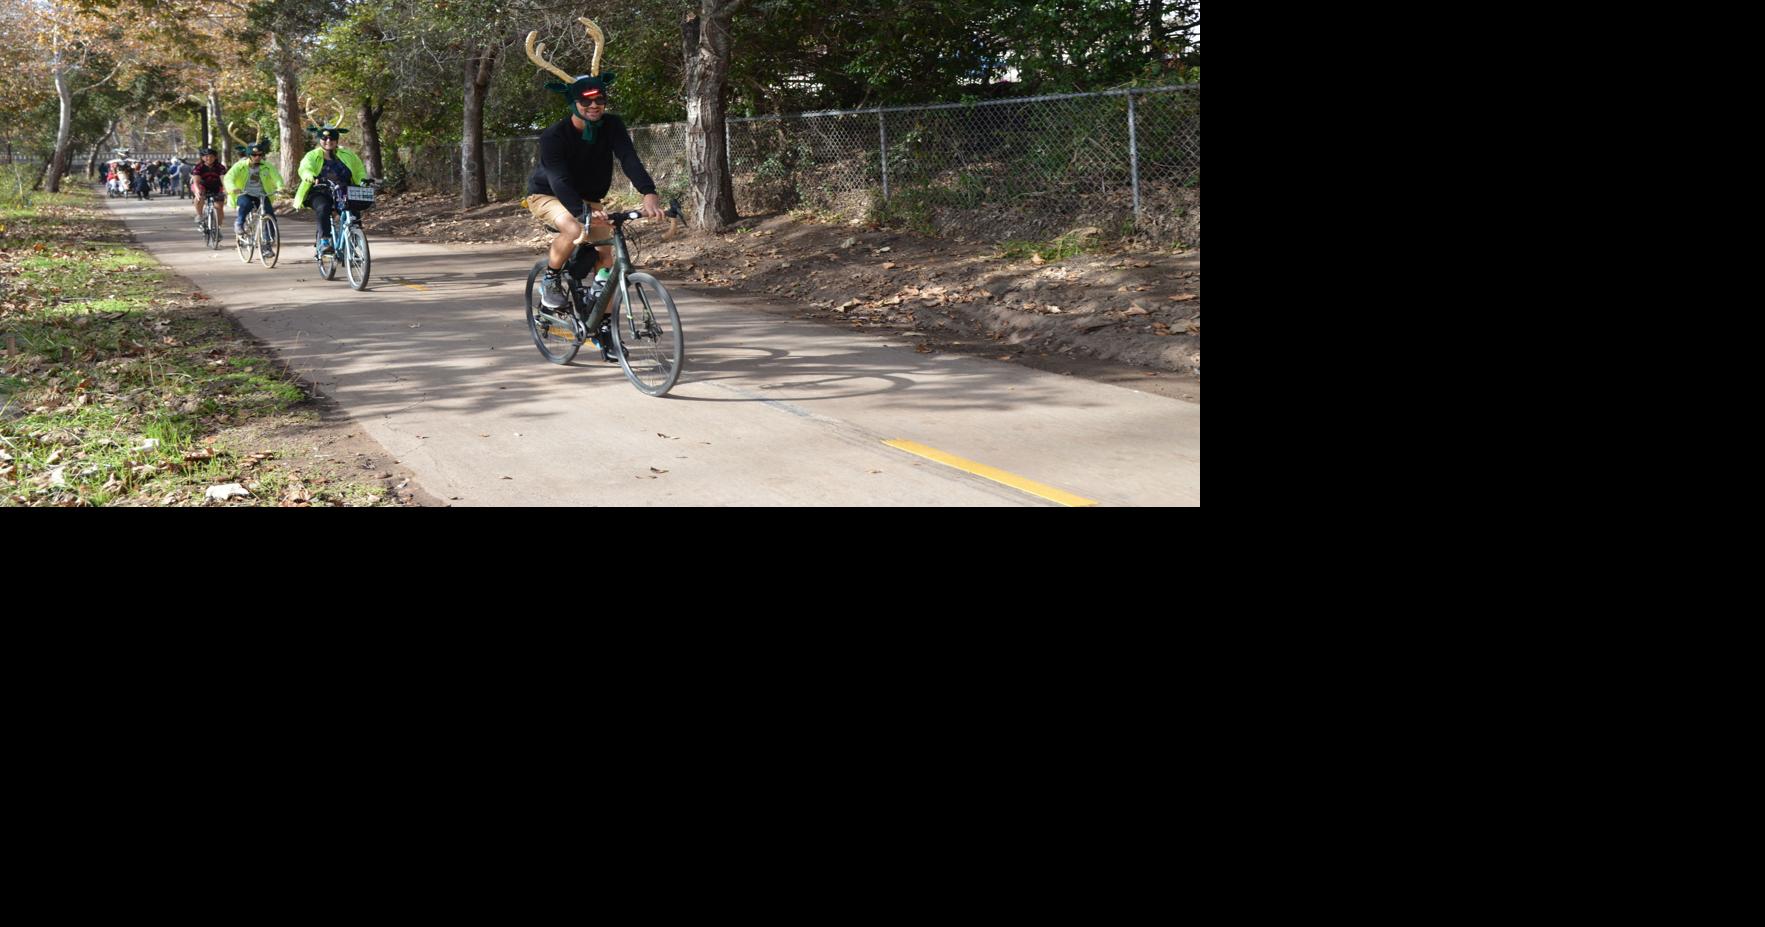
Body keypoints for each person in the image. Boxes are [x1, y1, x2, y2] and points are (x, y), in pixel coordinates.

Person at [524, 20, 663, 314]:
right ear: (573, 103)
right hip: (548, 195)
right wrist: (582, 210)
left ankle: (603, 331)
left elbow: (629, 158)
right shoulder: (554, 136)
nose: (594, 106)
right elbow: (559, 179)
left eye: (600, 99)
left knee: (607, 258)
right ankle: (550, 280)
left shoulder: (612, 125)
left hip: (588, 199)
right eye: (586, 101)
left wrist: (649, 194)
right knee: (574, 226)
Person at [294, 125, 367, 256]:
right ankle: (325, 242)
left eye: (332, 138)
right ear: (320, 139)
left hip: (343, 191)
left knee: (353, 210)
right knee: (323, 207)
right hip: (320, 191)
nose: (328, 141)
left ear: (337, 139)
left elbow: (359, 169)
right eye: (324, 138)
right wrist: (311, 177)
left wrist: (363, 181)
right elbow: (305, 168)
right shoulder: (312, 155)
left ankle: (353, 240)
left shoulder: (348, 154)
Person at [226, 141, 284, 259]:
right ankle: (239, 223)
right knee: (245, 204)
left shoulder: (267, 166)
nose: (257, 157)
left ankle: (266, 246)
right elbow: (229, 178)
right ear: (249, 155)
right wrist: (233, 188)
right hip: (245, 193)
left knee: (269, 216)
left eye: (260, 155)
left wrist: (280, 187)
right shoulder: (240, 166)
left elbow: (277, 177)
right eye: (254, 155)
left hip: (262, 194)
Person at [190, 147, 226, 228]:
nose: (209, 158)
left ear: (215, 157)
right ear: (202, 157)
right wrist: (197, 191)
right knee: (199, 196)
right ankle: (199, 215)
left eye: (211, 156)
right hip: (202, 186)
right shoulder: (199, 167)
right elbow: (196, 181)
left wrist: (226, 189)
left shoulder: (220, 167)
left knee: (219, 207)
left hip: (216, 186)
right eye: (206, 156)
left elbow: (223, 179)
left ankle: (218, 229)